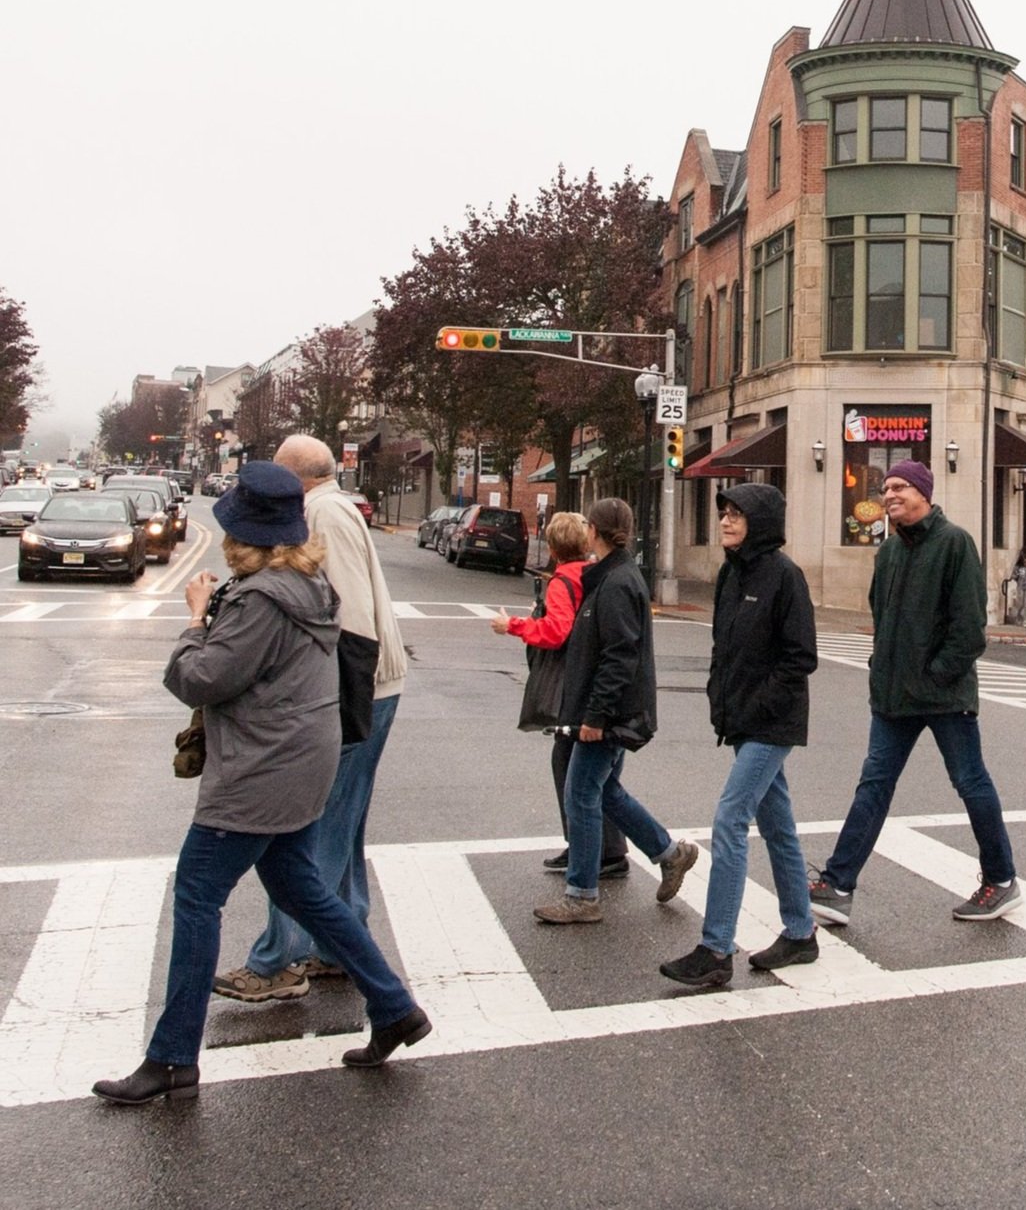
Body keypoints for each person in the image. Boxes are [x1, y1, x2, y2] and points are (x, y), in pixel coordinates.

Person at [95, 463, 429, 1104]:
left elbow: (202, 680)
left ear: (241, 534)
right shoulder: (309, 584)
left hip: (258, 770)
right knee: (302, 887)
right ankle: (393, 1007)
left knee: (197, 894)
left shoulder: (259, 599)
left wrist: (196, 620)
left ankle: (171, 1059)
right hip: (305, 760)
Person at [212, 434, 410, 1004]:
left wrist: (331, 703)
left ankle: (280, 960)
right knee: (341, 830)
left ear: (295, 478)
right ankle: (337, 946)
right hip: (370, 687)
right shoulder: (331, 508)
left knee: (314, 836)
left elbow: (349, 620)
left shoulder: (322, 514)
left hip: (357, 689)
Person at [808, 460, 1025, 923]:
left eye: (900, 486)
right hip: (892, 696)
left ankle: (1001, 879)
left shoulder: (954, 544)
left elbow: (970, 629)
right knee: (873, 785)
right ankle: (837, 884)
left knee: (970, 783)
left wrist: (938, 673)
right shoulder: (888, 552)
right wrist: (879, 665)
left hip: (943, 696)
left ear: (925, 492)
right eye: (885, 488)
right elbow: (880, 618)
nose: (889, 495)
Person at [661, 484, 820, 987]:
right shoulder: (732, 574)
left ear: (762, 521)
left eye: (737, 515)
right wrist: (721, 699)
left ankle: (715, 948)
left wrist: (756, 706)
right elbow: (724, 648)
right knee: (778, 826)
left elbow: (801, 658)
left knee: (730, 819)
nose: (727, 522)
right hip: (742, 719)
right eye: (724, 514)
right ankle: (801, 932)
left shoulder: (784, 577)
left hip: (771, 723)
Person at [533, 497, 699, 924]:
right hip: (608, 712)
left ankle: (582, 894)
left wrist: (595, 717)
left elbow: (619, 657)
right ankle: (670, 853)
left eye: (588, 525)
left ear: (594, 532)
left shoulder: (618, 584)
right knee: (605, 792)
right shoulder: (609, 579)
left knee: (582, 794)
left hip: (609, 716)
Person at [485, 512, 629, 878]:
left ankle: (595, 851)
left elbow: (556, 632)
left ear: (551, 547)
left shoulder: (563, 581)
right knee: (597, 776)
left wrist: (512, 626)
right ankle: (602, 848)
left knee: (569, 769)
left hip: (572, 684)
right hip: (595, 681)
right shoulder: (596, 575)